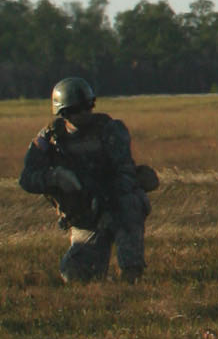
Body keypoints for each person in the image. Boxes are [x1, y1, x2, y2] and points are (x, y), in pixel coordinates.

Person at [18, 77, 154, 284]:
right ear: (64, 112)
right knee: (75, 275)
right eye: (77, 109)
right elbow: (26, 179)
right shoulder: (50, 138)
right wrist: (54, 178)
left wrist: (106, 203)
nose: (85, 113)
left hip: (115, 206)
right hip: (84, 217)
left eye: (88, 106)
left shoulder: (109, 130)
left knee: (130, 202)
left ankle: (131, 273)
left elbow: (125, 173)